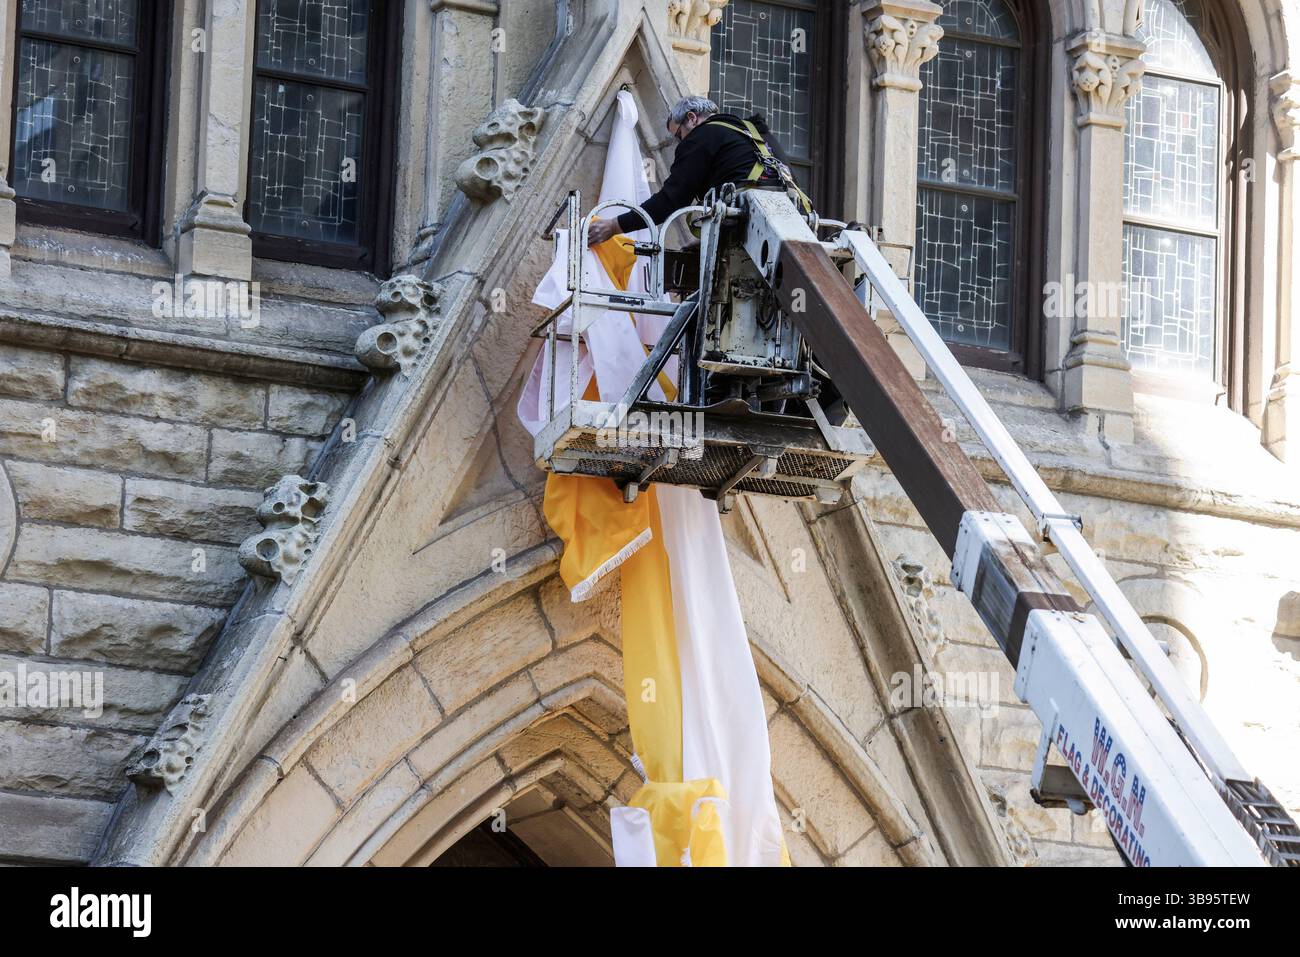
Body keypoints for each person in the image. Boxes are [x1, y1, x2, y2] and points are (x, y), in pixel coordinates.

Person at [586, 95, 808, 246]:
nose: (680, 143)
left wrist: (615, 226)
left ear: (691, 119)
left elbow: (671, 199)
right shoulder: (755, 134)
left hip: (750, 221)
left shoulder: (702, 136)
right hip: (797, 219)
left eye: (678, 135)